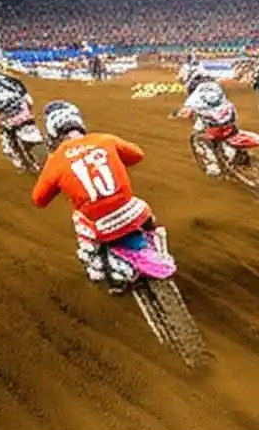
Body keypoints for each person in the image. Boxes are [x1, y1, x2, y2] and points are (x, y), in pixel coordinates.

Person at [31, 101, 163, 290]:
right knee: (146, 215)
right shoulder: (105, 139)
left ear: (53, 133)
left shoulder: (56, 161)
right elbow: (137, 155)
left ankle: (94, 262)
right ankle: (155, 241)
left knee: (79, 218)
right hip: (134, 213)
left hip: (102, 225)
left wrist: (59, 183)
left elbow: (39, 199)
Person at [174, 71, 241, 178]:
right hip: (231, 116)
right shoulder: (216, 87)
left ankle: (214, 167)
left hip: (216, 124)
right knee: (229, 131)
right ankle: (232, 151)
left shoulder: (193, 99)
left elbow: (187, 113)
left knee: (199, 139)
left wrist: (177, 113)